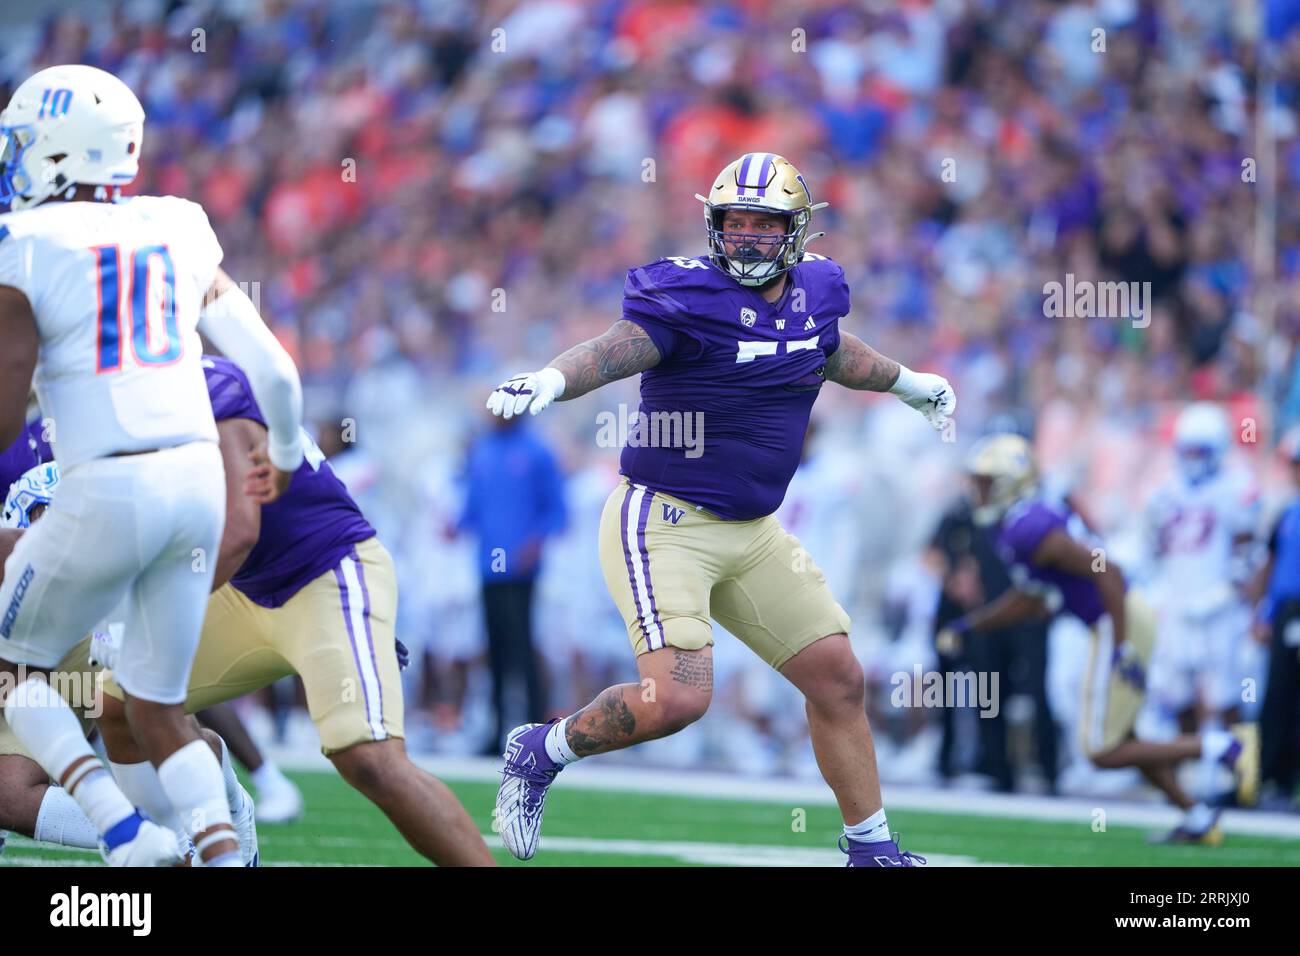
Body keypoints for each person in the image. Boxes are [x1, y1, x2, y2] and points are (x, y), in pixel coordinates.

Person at [485, 152, 955, 866]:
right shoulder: (686, 295)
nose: (745, 237)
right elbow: (617, 350)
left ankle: (873, 850)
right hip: (665, 521)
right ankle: (541, 748)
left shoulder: (818, 291)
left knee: (838, 677)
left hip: (754, 531)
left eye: (763, 225)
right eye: (733, 222)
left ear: (796, 233)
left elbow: (826, 350)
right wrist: (553, 379)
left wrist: (908, 383)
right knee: (677, 700)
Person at [0, 64, 304, 866]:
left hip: (108, 480)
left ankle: (126, 835)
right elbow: (275, 371)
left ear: (58, 153)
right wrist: (288, 450)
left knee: (10, 668)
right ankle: (215, 847)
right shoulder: (177, 223)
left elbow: (2, 416)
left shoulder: (24, 243)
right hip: (199, 480)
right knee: (154, 702)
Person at [938, 434, 1258, 844]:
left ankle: (1221, 746)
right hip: (1114, 618)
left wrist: (1122, 645)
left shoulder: (1027, 528)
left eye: (985, 481)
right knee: (1121, 738)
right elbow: (1032, 598)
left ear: (1008, 483)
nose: (976, 490)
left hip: (1116, 619)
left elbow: (1107, 571)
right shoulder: (1019, 524)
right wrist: (973, 625)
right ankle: (1197, 817)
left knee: (1098, 750)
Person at [1142, 404, 1258, 735]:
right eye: (1187, 450)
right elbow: (1152, 545)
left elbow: (1248, 548)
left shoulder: (1237, 486)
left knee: (1228, 692)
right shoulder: (1165, 489)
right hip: (1178, 600)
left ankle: (1238, 770)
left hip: (1221, 604)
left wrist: (1231, 591)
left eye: (1200, 451)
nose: (1192, 458)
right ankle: (1190, 762)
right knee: (1178, 693)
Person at [460, 412, 567, 755]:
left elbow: (557, 510)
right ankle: (496, 731)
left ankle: (535, 730)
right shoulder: (482, 451)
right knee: (494, 651)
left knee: (523, 649)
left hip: (521, 570)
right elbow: (472, 506)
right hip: (488, 568)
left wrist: (535, 542)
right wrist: (456, 524)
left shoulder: (537, 451)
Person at [1251, 437, 1300, 810]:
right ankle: (1272, 778)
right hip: (1286, 612)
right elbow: (1272, 566)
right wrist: (1262, 613)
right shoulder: (1286, 513)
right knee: (1278, 695)